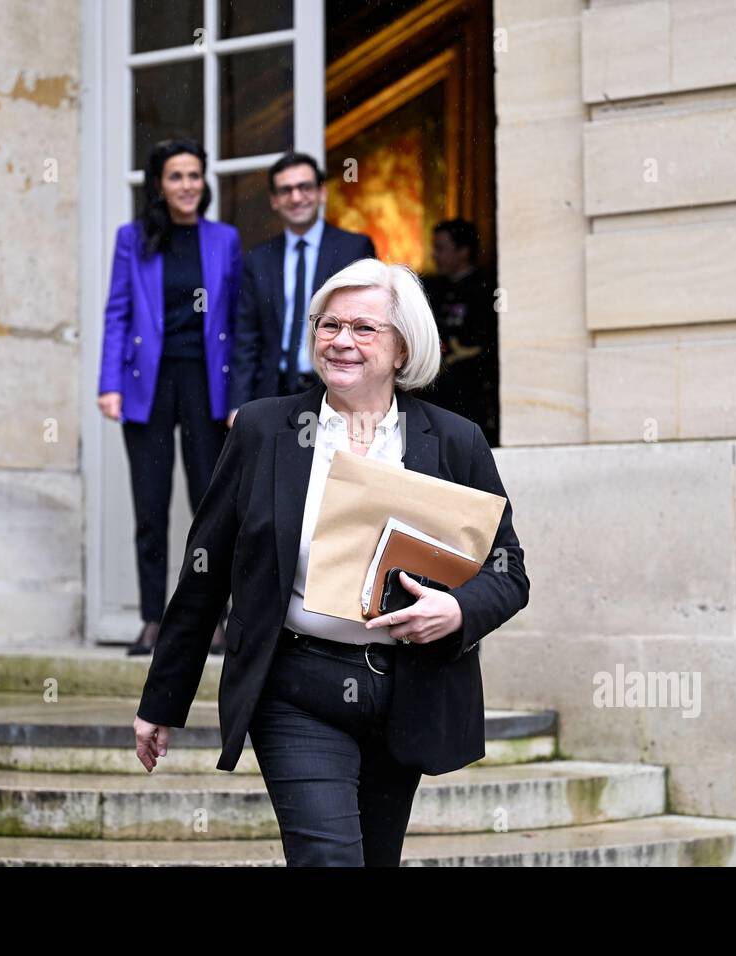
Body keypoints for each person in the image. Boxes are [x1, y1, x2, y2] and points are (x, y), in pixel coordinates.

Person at [132, 258, 530, 866]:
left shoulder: (454, 441)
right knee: (328, 857)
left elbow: (507, 570)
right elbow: (204, 571)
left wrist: (456, 611)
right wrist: (163, 700)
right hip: (295, 687)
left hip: (407, 693)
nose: (341, 340)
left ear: (403, 349)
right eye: (329, 324)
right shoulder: (263, 429)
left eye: (364, 328)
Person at [97, 138, 242, 657]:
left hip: (207, 385)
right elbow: (117, 312)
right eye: (176, 176)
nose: (187, 185)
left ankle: (214, 620)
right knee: (150, 507)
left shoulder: (225, 239)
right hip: (148, 385)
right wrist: (109, 383)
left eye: (194, 175)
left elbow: (237, 318)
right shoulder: (133, 238)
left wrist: (238, 395)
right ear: (159, 184)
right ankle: (153, 620)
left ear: (205, 182)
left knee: (211, 506)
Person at [226, 152, 375, 426]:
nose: (296, 197)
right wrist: (238, 404)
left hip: (337, 386)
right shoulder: (258, 259)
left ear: (321, 192)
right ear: (274, 200)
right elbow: (246, 336)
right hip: (273, 390)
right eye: (286, 190)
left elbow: (369, 324)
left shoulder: (354, 248)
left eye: (304, 187)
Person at [422, 219, 499, 446]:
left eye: (440, 248)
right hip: (436, 393)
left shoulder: (486, 290)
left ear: (463, 251)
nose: (434, 255)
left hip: (470, 394)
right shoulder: (432, 289)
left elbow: (485, 345)